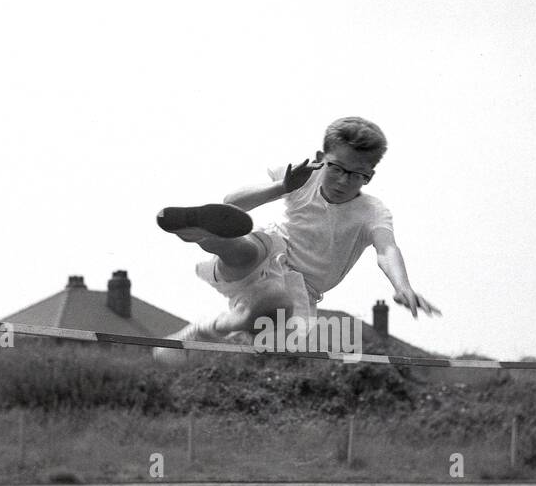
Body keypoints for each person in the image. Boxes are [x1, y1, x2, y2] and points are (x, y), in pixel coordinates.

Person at [154, 116, 438, 362]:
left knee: (270, 308)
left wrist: (403, 286)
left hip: (300, 290)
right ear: (319, 158)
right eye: (336, 168)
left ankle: (202, 329)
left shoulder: (372, 211)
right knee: (248, 250)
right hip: (272, 248)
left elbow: (386, 248)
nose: (342, 181)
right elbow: (233, 203)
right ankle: (207, 236)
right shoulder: (303, 176)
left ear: (369, 176)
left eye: (356, 175)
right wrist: (283, 187)